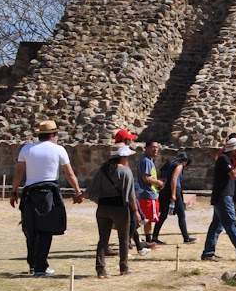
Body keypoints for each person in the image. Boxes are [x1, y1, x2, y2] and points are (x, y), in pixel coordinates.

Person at [9, 119, 84, 277]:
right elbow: (69, 173)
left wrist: (14, 192)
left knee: (31, 229)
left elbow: (19, 173)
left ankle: (33, 264)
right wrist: (77, 191)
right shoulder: (59, 150)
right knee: (46, 229)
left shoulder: (27, 149)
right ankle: (41, 266)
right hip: (48, 192)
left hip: (29, 192)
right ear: (54, 135)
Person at [88, 144, 143, 278]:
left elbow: (92, 189)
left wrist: (80, 196)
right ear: (122, 157)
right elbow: (130, 195)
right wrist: (136, 211)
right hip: (120, 208)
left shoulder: (102, 170)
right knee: (123, 239)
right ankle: (123, 267)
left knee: (103, 240)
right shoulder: (125, 171)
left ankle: (100, 270)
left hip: (103, 208)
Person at [203, 135, 236, 262]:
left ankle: (208, 252)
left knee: (216, 225)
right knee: (231, 223)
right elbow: (234, 174)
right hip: (223, 197)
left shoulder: (226, 159)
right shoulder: (224, 159)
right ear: (233, 150)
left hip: (223, 196)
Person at [154, 148, 195, 244]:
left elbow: (162, 174)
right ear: (185, 161)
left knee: (163, 214)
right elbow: (174, 179)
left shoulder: (169, 163)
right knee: (181, 214)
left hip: (164, 189)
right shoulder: (179, 165)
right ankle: (186, 237)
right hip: (174, 190)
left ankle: (155, 236)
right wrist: (173, 194)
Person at [134, 140, 164, 251]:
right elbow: (146, 178)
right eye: (153, 147)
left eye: (157, 147)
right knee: (146, 219)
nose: (155, 149)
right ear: (146, 148)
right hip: (148, 194)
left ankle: (148, 241)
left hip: (147, 194)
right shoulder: (146, 161)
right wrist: (159, 182)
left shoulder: (147, 160)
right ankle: (130, 235)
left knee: (147, 219)